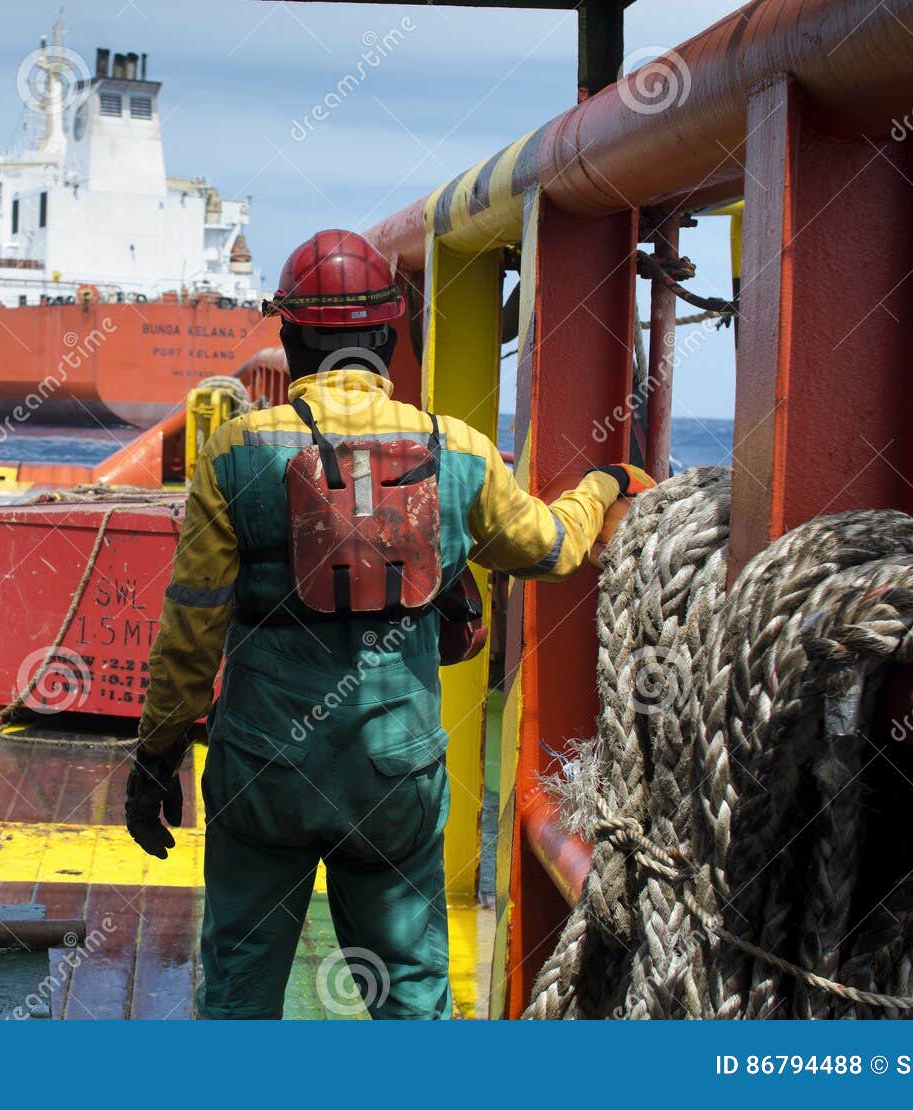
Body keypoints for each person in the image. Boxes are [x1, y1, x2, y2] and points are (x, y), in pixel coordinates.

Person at [124, 228, 651, 1018]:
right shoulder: (458, 451)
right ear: (387, 335)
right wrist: (605, 485)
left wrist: (156, 757)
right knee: (409, 997)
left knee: (239, 987)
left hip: (265, 768)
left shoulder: (234, 454)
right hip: (394, 773)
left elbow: (191, 629)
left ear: (293, 339)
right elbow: (550, 548)